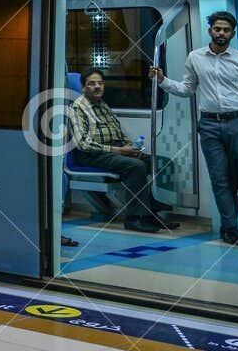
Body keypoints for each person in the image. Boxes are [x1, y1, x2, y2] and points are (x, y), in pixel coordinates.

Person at [151, 10, 238, 246]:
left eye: (226, 30)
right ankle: (231, 228)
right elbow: (187, 89)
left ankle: (229, 229)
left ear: (233, 33)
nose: (221, 33)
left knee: (236, 179)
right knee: (219, 178)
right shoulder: (195, 57)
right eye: (217, 29)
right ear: (210, 31)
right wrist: (163, 81)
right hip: (209, 124)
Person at [68, 69, 179, 234]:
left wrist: (131, 147)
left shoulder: (103, 105)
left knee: (162, 162)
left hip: (114, 150)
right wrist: (120, 150)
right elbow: (83, 144)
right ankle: (133, 219)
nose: (97, 87)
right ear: (83, 87)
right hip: (93, 155)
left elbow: (118, 133)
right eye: (92, 84)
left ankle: (152, 210)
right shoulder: (77, 108)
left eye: (100, 83)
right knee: (135, 166)